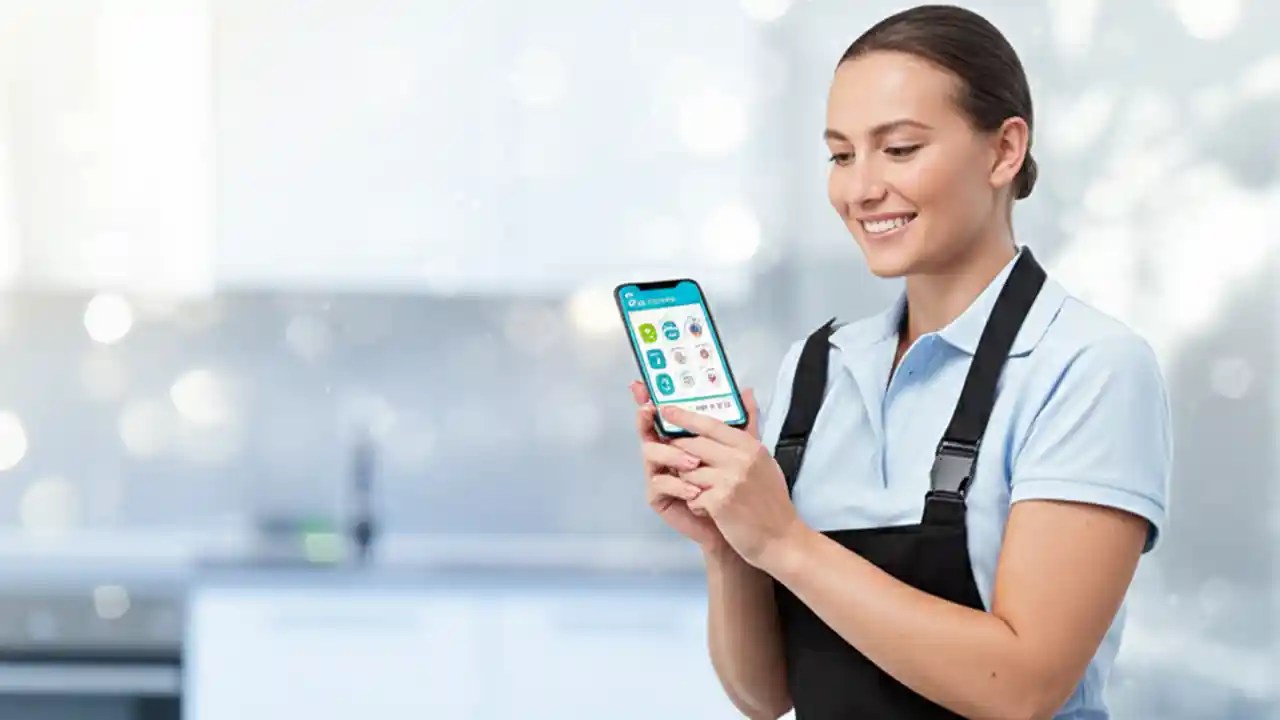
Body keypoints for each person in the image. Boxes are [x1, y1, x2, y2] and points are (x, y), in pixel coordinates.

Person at [629, 5, 1171, 719]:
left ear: (1004, 151)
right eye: (842, 154)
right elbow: (766, 697)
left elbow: (1023, 687)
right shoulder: (819, 369)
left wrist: (782, 541)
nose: (860, 190)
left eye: (900, 149)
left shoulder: (1089, 368)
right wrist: (730, 548)